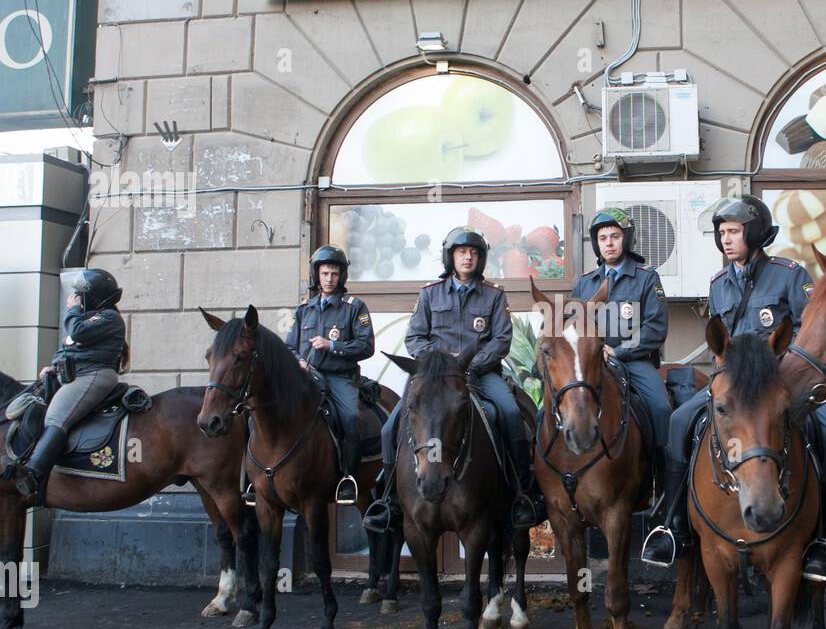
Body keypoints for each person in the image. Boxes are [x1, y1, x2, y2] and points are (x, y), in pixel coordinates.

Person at [640, 195, 826, 578]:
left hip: (784, 381)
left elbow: (810, 331)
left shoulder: (790, 275)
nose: (726, 239)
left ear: (755, 234)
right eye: (722, 233)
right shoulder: (719, 283)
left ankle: (825, 544)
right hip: (737, 389)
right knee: (678, 423)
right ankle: (674, 527)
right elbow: (720, 341)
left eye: (734, 231)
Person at [363, 227, 546, 533]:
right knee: (390, 425)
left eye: (473, 253)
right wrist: (442, 363)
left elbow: (501, 340)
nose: (467, 257)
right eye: (461, 252)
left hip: (480, 374)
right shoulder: (429, 294)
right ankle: (389, 498)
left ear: (481, 258)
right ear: (451, 257)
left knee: (511, 414)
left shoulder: (494, 295)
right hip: (434, 378)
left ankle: (520, 494)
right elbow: (415, 338)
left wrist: (471, 365)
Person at [571, 208, 672, 514]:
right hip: (591, 363)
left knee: (661, 408)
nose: (609, 243)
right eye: (602, 238)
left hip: (633, 361)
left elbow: (656, 327)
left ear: (626, 239)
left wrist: (620, 351)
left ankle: (665, 487)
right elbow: (571, 326)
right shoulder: (585, 284)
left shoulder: (646, 278)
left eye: (615, 236)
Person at [16, 269, 128, 500]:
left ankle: (34, 474)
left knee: (56, 418)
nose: (75, 297)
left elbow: (78, 332)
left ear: (90, 296)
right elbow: (70, 346)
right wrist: (53, 367)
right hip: (74, 375)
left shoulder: (108, 317)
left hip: (94, 375)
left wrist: (73, 308)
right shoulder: (86, 317)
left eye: (79, 294)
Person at [285, 244, 375, 504]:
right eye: (325, 273)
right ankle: (257, 480)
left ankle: (348, 478)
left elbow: (366, 346)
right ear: (317, 275)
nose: (329, 279)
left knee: (350, 417)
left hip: (339, 377)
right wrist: (299, 361)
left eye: (334, 273)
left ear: (341, 276)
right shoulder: (303, 309)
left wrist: (332, 345)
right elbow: (289, 347)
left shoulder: (354, 307)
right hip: (305, 376)